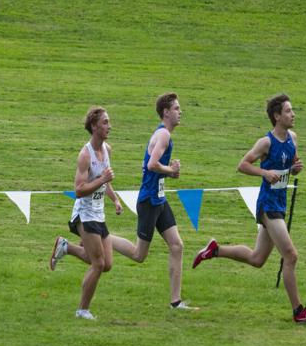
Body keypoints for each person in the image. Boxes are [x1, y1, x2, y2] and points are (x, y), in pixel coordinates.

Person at [48, 93, 198, 310]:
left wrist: (115, 198)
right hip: (147, 200)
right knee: (136, 255)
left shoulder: (108, 149)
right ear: (166, 112)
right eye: (176, 108)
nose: (180, 111)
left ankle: (176, 301)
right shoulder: (163, 135)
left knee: (177, 245)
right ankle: (84, 300)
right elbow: (151, 165)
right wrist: (171, 171)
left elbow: (126, 170)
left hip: (158, 198)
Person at [191, 93, 306, 324]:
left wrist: (296, 169)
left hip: (279, 203)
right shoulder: (266, 143)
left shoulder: (292, 137)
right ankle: (299, 312)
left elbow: (291, 163)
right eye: (288, 111)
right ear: (276, 116)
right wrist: (264, 173)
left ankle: (215, 250)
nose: (293, 115)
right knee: (291, 256)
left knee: (257, 259)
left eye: (292, 110)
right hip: (267, 205)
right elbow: (242, 165)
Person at [60, 106, 120, 320]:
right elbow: (78, 190)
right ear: (94, 127)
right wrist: (102, 180)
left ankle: (65, 247)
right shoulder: (85, 155)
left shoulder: (107, 150)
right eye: (105, 122)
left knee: (108, 264)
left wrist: (114, 199)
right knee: (98, 263)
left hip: (99, 213)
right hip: (84, 215)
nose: (109, 126)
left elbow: (105, 181)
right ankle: (82, 309)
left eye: (108, 121)